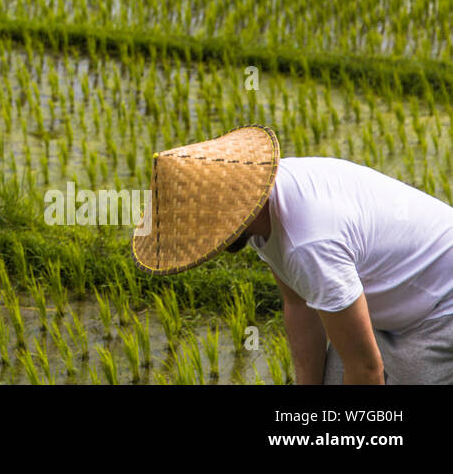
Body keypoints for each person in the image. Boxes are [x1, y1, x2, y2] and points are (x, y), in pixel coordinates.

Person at [132, 124, 453, 384]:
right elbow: (298, 303)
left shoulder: (309, 243)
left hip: (439, 310)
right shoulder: (262, 210)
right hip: (388, 301)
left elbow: (367, 370)